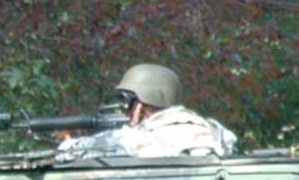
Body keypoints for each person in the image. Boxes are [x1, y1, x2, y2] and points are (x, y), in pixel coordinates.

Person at [53, 62, 237, 162]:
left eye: (128, 102)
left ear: (141, 103)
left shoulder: (132, 140)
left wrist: (67, 142)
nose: (126, 110)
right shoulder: (216, 131)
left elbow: (67, 153)